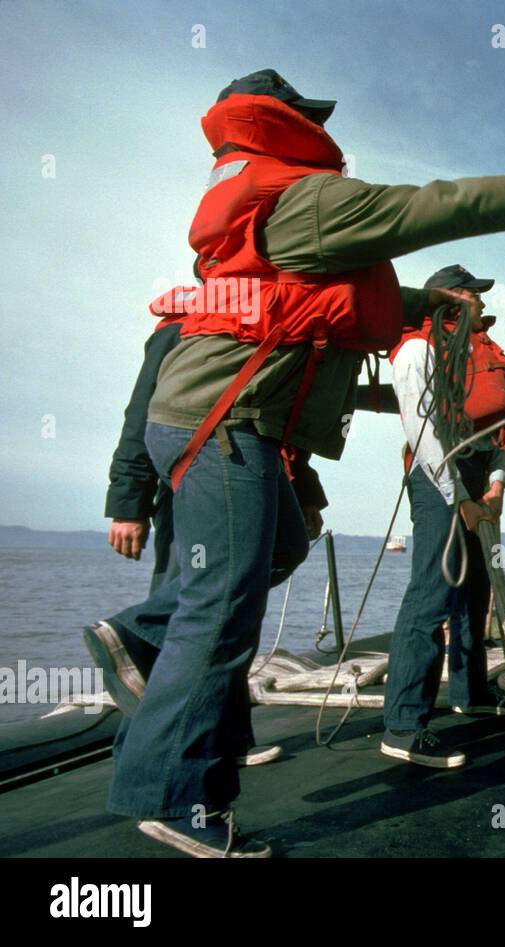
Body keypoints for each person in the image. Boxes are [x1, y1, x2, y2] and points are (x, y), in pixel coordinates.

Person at [99, 68, 505, 857]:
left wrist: (423, 306)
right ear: (290, 125)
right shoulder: (311, 199)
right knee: (219, 608)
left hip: (206, 424)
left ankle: (140, 637)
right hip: (225, 425)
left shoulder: (265, 204)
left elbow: (331, 300)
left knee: (276, 546)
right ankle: (175, 795)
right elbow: (434, 204)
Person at [87, 289, 327, 768]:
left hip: (250, 481)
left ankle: (228, 739)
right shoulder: (190, 326)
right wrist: (128, 504)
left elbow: (278, 430)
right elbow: (141, 417)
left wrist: (304, 498)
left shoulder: (265, 323)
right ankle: (142, 751)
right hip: (191, 485)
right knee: (188, 618)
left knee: (232, 614)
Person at [383, 264, 505, 772]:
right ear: (450, 298)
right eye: (474, 295)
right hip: (439, 476)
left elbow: (500, 428)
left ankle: (471, 692)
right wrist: (459, 495)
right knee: (433, 594)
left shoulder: (478, 349)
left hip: (478, 480)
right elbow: (423, 431)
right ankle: (403, 725)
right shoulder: (419, 348)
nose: (483, 303)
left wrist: (497, 485)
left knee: (474, 592)